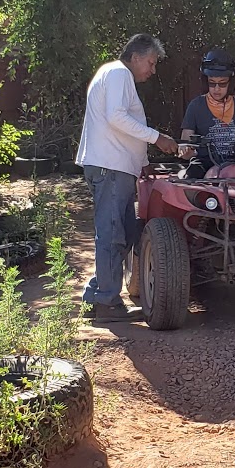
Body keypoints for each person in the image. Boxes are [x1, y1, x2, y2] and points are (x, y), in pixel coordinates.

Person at [75, 34, 181, 320]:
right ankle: (108, 303)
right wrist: (158, 138)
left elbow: (124, 128)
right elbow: (116, 118)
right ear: (135, 57)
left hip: (117, 168)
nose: (152, 69)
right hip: (110, 168)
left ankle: (97, 294)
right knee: (112, 234)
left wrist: (144, 162)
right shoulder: (119, 73)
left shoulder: (116, 76)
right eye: (151, 62)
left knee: (121, 233)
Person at [179, 48, 235, 172]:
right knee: (193, 177)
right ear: (205, 82)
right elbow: (185, 142)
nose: (216, 89)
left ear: (232, 83)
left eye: (222, 83)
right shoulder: (195, 106)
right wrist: (186, 151)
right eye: (212, 83)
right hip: (204, 163)